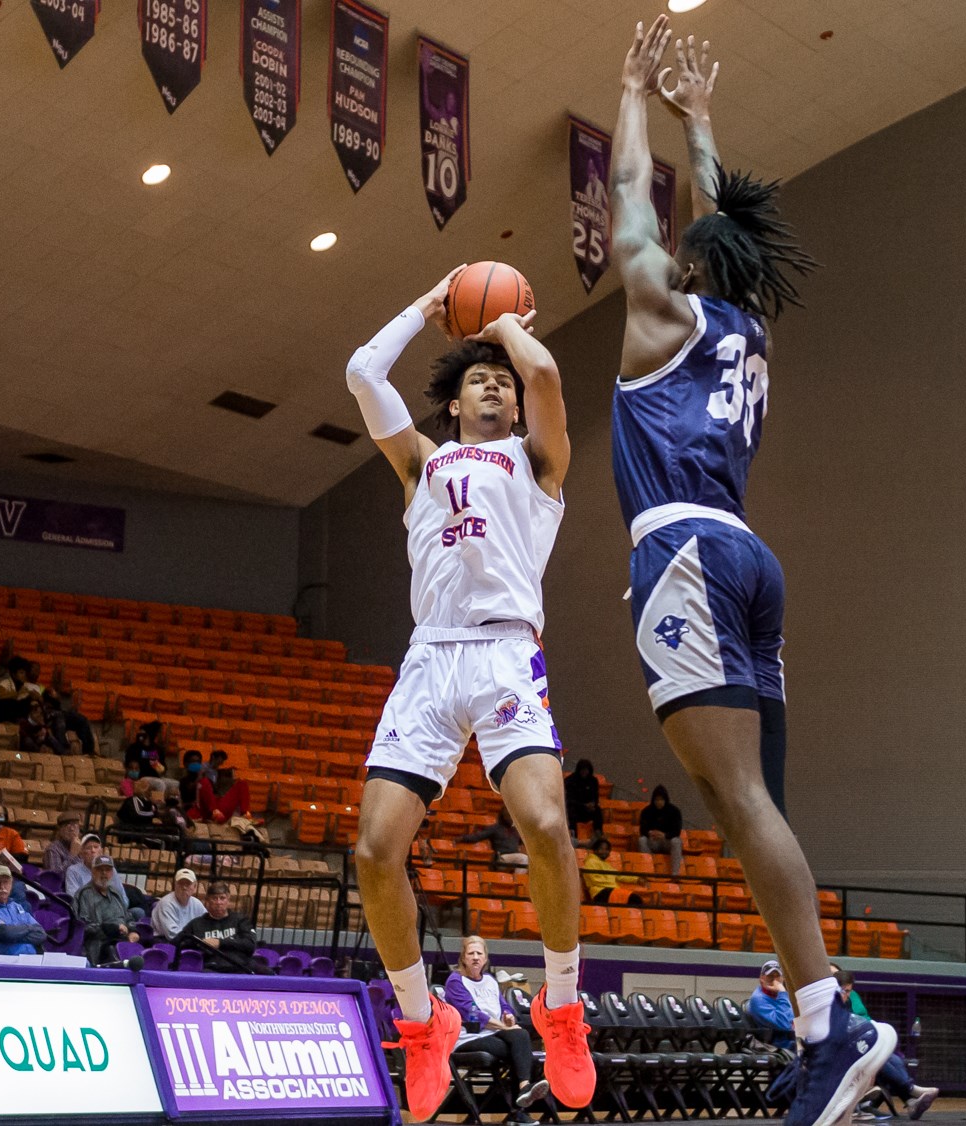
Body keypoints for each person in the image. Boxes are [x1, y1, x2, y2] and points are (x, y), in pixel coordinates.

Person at [607, 20, 889, 1126]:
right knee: (747, 803)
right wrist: (705, 125)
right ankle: (840, 1030)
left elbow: (628, 195)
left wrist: (629, 95)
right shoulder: (742, 325)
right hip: (742, 552)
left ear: (686, 261)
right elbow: (720, 221)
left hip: (683, 551)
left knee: (735, 797)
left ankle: (831, 1023)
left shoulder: (661, 309)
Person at [341, 258, 591, 1123]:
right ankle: (423, 1023)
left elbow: (548, 372)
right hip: (429, 661)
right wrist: (427, 305)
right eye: (480, 381)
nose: (497, 391)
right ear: (453, 403)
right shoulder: (421, 462)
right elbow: (362, 374)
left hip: (505, 659)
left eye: (503, 384)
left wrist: (506, 320)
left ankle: (561, 1006)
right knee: (374, 851)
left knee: (548, 825)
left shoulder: (537, 461)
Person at [445, 936, 549, 1119]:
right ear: (463, 958)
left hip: (494, 1033)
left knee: (521, 1036)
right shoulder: (455, 981)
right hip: (468, 1038)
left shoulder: (490, 980)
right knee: (518, 1049)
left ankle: (524, 1090)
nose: (475, 957)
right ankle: (519, 1109)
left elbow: (504, 1006)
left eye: (479, 953)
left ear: (485, 958)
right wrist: (504, 1027)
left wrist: (508, 1017)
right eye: (471, 953)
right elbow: (473, 1014)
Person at [832, 968, 938, 1121]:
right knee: (877, 1055)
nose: (846, 994)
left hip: (861, 1036)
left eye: (848, 991)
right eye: (844, 990)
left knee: (889, 1055)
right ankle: (911, 1092)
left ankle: (911, 1099)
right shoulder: (829, 1002)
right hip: (843, 1047)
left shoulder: (849, 999)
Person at [176, 884, 255, 972]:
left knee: (267, 972)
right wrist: (200, 943)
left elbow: (250, 944)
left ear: (228, 899)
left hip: (241, 966)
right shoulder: (196, 924)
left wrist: (220, 942)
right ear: (207, 901)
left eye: (222, 898)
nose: (218, 902)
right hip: (211, 968)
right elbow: (178, 942)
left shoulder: (240, 920)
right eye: (214, 898)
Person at [75, 854, 136, 964]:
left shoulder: (115, 893)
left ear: (112, 873)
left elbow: (128, 917)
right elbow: (82, 927)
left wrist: (133, 931)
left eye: (107, 870)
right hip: (99, 946)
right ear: (93, 871)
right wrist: (111, 928)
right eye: (100, 870)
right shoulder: (84, 894)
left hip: (121, 942)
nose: (104, 874)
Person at [745, 960, 795, 1049]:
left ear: (782, 978)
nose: (774, 980)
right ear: (761, 978)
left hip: (793, 1040)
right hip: (779, 1046)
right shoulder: (758, 999)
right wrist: (782, 992)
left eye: (777, 976)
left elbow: (792, 1019)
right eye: (770, 976)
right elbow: (784, 1025)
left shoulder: (779, 996)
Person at [189, 756, 252, 824]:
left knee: (242, 783)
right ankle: (214, 812)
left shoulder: (214, 773)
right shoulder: (188, 781)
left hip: (219, 808)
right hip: (205, 810)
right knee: (204, 782)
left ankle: (246, 814)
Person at [456, 808, 528, 868]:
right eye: (509, 815)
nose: (511, 818)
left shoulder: (515, 830)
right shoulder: (495, 828)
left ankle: (517, 881)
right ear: (503, 816)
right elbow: (478, 836)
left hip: (514, 858)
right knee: (524, 858)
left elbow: (525, 841)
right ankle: (518, 877)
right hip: (501, 857)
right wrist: (463, 838)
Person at [579, 837, 643, 905]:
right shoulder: (590, 862)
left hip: (610, 891)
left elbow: (619, 876)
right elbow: (595, 880)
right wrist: (612, 885)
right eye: (601, 849)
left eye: (607, 849)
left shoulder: (606, 865)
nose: (604, 851)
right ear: (595, 850)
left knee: (635, 899)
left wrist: (636, 879)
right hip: (600, 893)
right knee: (634, 899)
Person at [638, 785, 684, 874]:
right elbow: (642, 830)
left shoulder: (674, 811)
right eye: (656, 800)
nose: (659, 802)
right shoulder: (646, 811)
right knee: (642, 840)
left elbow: (677, 831)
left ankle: (675, 874)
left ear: (665, 800)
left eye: (661, 800)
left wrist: (664, 835)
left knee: (677, 841)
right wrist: (650, 833)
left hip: (667, 841)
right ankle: (647, 870)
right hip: (653, 840)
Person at [152, 868, 205, 941]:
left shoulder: (197, 903)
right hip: (165, 942)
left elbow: (207, 924)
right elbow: (172, 935)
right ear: (175, 885)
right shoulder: (166, 903)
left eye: (188, 884)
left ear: (195, 887)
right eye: (181, 883)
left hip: (189, 940)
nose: (184, 887)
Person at [124, 722, 176, 795]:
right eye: (139, 733)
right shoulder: (134, 748)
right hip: (141, 776)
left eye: (143, 734)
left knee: (176, 784)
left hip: (155, 776)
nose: (140, 736)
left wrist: (159, 767)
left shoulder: (157, 749)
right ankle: (158, 804)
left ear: (149, 735)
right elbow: (128, 764)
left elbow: (163, 769)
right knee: (160, 784)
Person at [564, 759, 603, 833]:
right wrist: (584, 805)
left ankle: (598, 834)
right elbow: (570, 800)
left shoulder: (593, 781)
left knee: (598, 811)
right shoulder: (571, 780)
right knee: (571, 811)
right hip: (576, 809)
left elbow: (595, 796)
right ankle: (573, 835)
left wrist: (593, 804)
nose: (584, 772)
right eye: (582, 770)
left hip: (588, 810)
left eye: (586, 770)